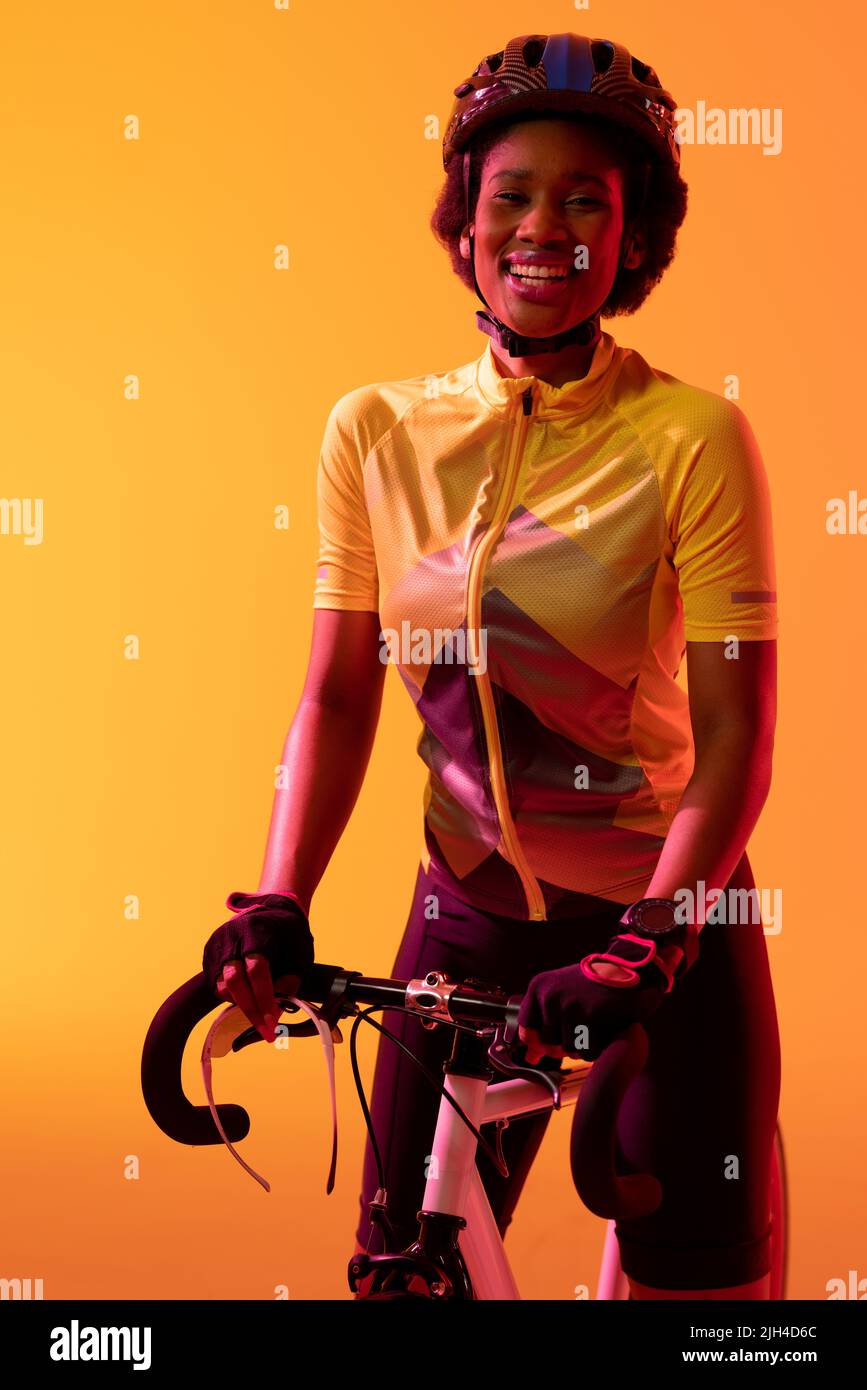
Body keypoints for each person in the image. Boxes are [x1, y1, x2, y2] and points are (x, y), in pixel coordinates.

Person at [201, 33, 781, 1300]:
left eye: (586, 199)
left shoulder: (692, 435)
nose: (541, 226)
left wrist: (653, 943)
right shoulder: (376, 431)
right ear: (464, 222)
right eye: (510, 193)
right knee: (406, 1275)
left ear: (633, 240)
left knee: (714, 1306)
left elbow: (735, 733)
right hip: (465, 916)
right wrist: (275, 898)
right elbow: (337, 693)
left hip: (663, 919)